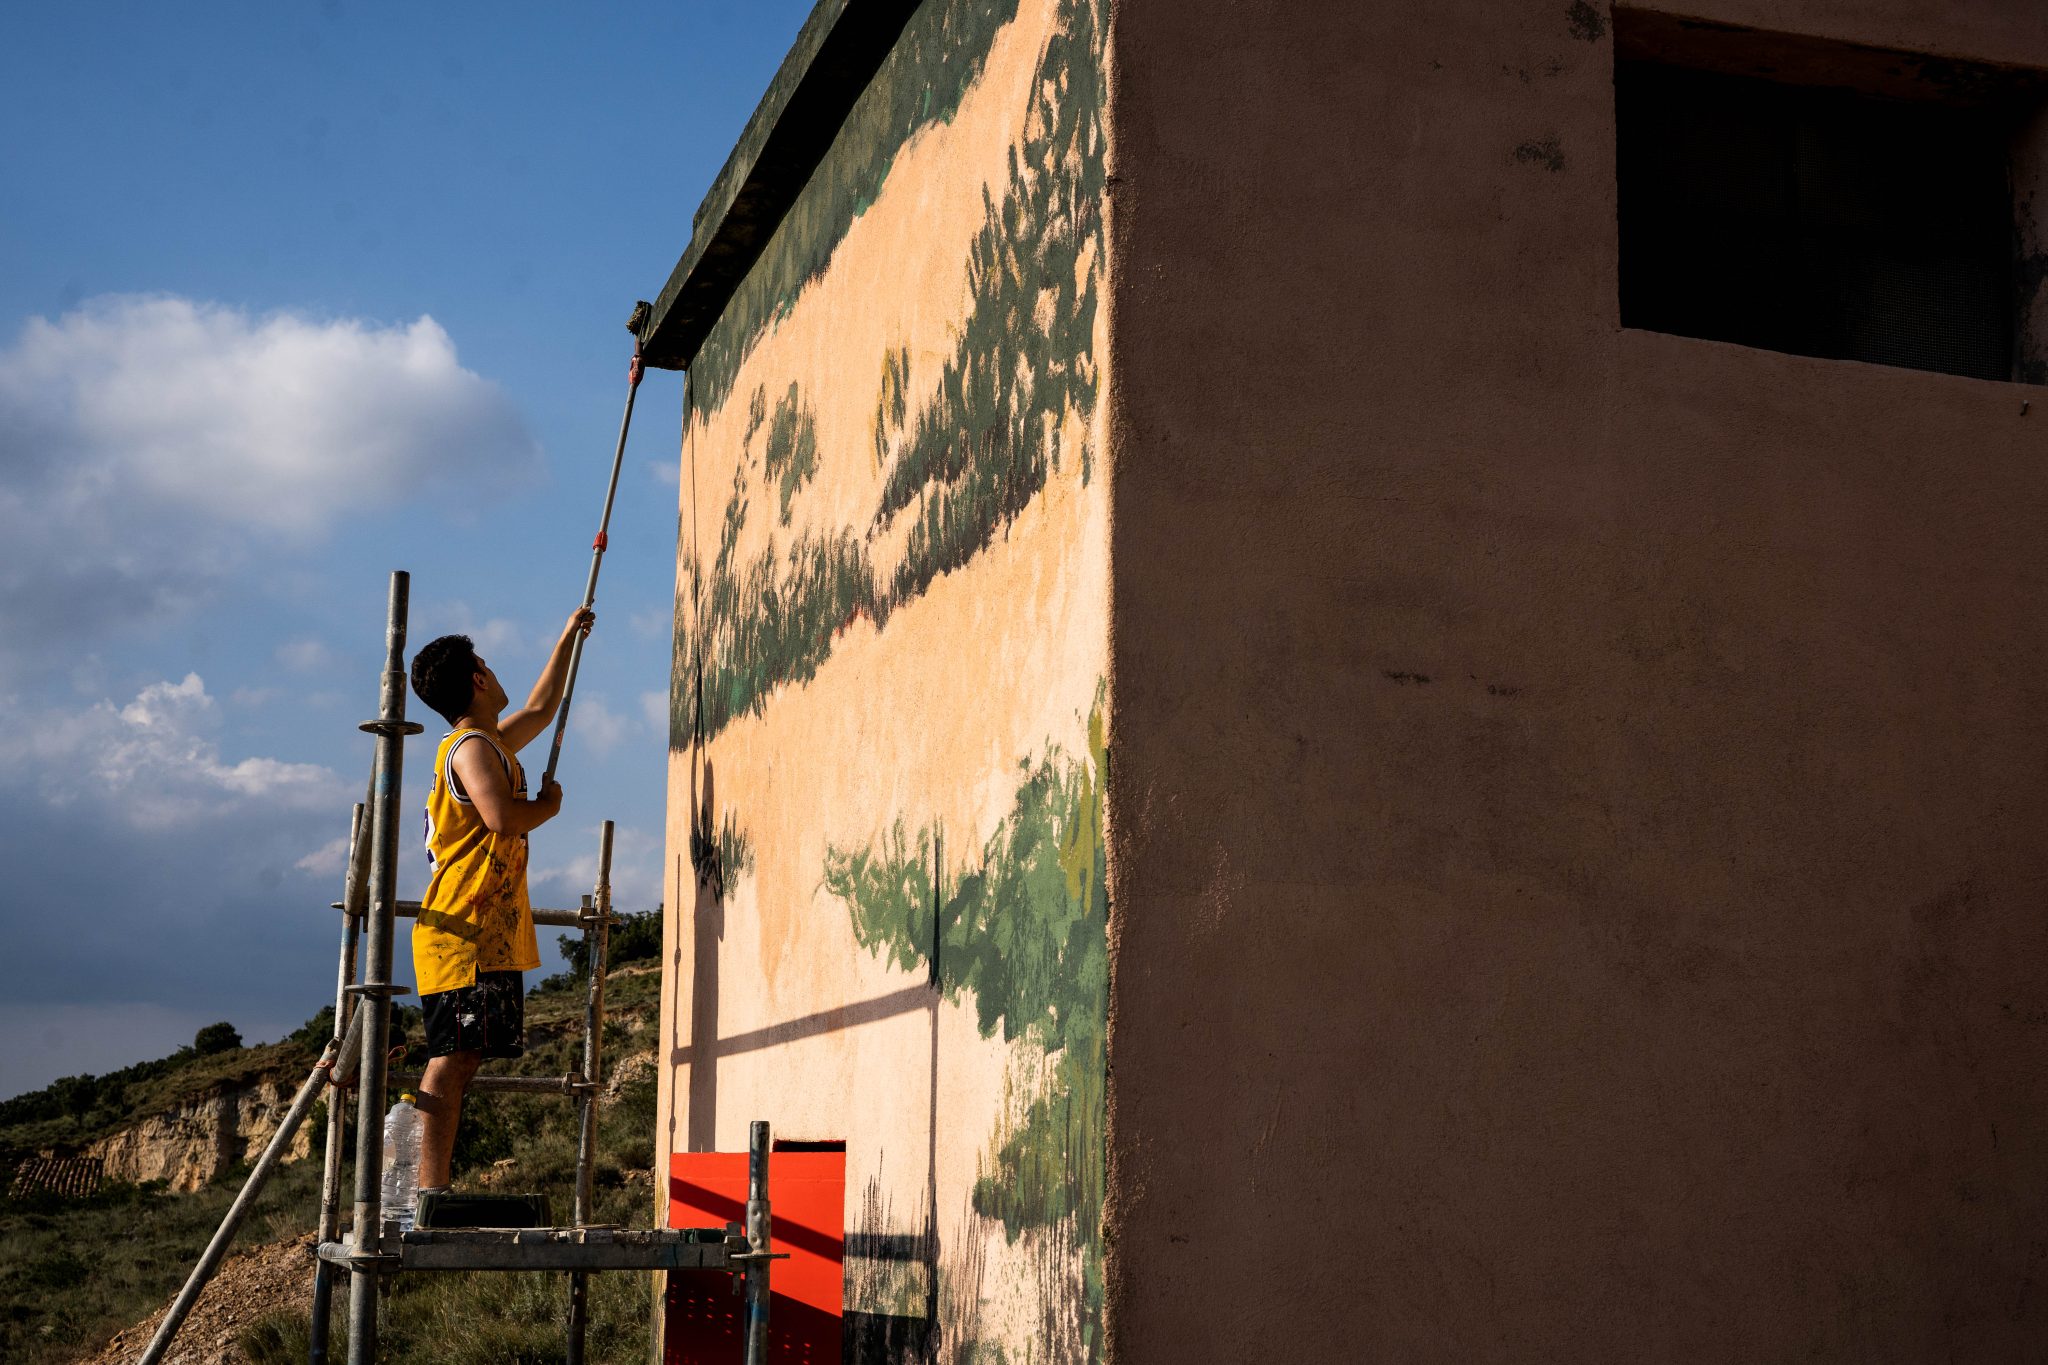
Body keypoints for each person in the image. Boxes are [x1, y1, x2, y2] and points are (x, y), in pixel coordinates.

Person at [404, 607, 594, 1204]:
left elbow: (540, 709)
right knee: (453, 1058)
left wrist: (566, 639)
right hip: (464, 933)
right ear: (479, 678)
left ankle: (432, 1187)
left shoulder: (487, 744)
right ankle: (430, 1193)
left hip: (485, 932)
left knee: (468, 1055)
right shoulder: (471, 750)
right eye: (485, 662)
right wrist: (548, 807)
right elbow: (503, 819)